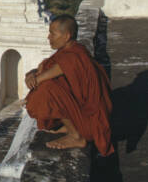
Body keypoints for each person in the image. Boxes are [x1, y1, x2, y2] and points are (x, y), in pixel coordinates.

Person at [25, 16, 114, 156]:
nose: (49, 37)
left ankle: (76, 136)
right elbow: (46, 69)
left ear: (66, 36)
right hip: (81, 113)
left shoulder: (75, 56)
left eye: (53, 33)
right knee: (48, 87)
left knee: (47, 90)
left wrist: (35, 79)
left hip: (91, 122)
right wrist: (31, 74)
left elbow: (49, 74)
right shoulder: (69, 51)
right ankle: (69, 126)